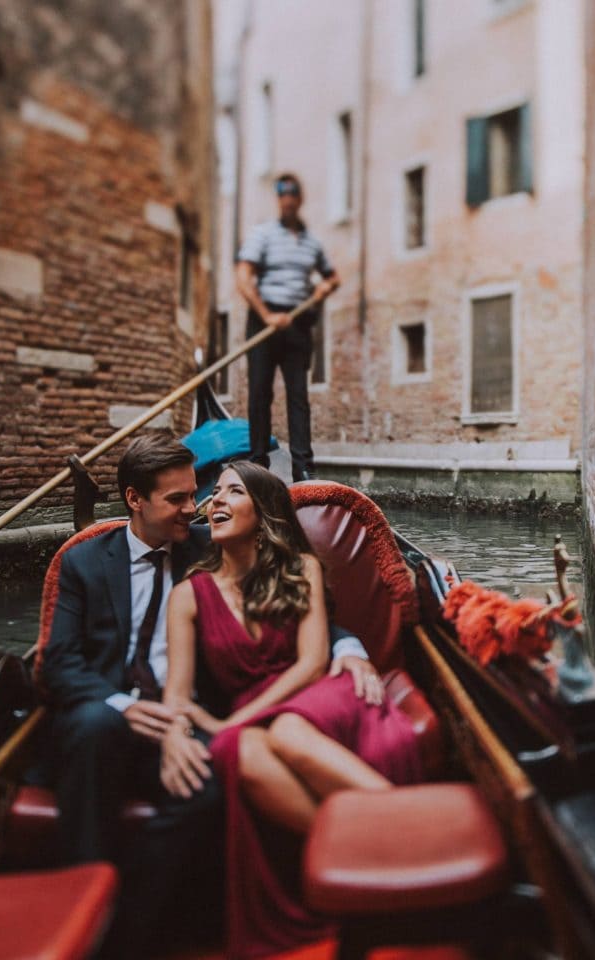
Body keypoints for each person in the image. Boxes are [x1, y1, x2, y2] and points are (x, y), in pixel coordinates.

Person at [41, 435, 384, 957]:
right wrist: (130, 708)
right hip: (110, 711)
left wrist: (350, 646)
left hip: (189, 713)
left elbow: (286, 595)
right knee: (92, 728)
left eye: (193, 493)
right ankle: (77, 916)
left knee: (208, 789)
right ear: (136, 500)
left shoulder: (209, 546)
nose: (193, 507)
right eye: (177, 499)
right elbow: (60, 666)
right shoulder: (84, 563)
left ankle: (127, 933)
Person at [161, 461, 422, 959]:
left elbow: (310, 664)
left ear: (262, 514)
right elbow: (176, 693)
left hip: (318, 693)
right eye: (214, 494)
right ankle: (378, 855)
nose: (214, 502)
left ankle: (412, 829)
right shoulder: (187, 596)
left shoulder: (301, 568)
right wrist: (178, 726)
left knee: (280, 732)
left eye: (232, 493)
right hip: (258, 713)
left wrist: (226, 722)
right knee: (240, 749)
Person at [234, 172, 340, 482]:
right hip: (264, 322)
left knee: (298, 395)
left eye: (293, 193)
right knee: (259, 394)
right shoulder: (262, 235)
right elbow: (243, 277)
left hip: (297, 323)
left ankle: (303, 469)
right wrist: (266, 314)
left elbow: (332, 276)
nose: (288, 199)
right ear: (279, 199)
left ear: (300, 198)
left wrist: (324, 288)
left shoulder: (312, 243)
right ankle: (257, 465)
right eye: (283, 193)